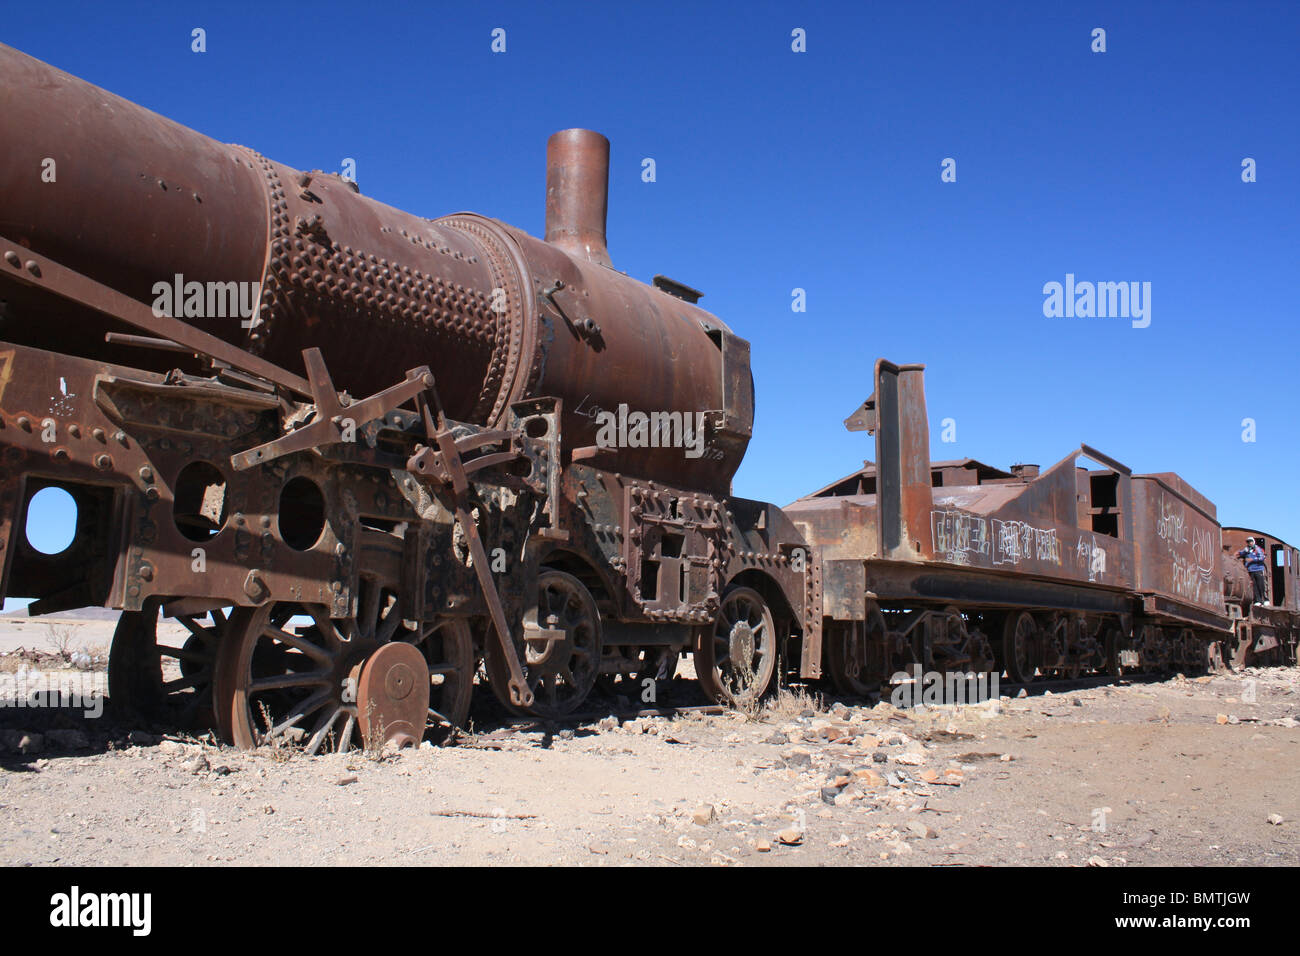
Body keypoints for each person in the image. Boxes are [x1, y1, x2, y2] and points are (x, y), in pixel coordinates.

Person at [1237, 537, 1269, 607]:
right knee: (1254, 586)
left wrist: (1252, 559)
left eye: (1251, 541)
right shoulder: (1247, 549)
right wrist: (1238, 553)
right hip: (1250, 570)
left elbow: (1262, 557)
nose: (1249, 543)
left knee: (1261, 585)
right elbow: (1242, 553)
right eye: (1248, 542)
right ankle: (1258, 600)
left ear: (1253, 542)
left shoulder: (1258, 549)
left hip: (1258, 569)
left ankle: (1265, 599)